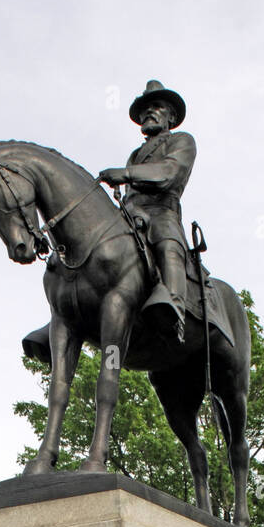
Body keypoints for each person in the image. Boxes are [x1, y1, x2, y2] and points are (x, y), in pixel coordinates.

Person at [98, 80, 195, 342]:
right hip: (130, 216)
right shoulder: (136, 153)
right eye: (144, 109)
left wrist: (126, 173)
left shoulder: (182, 141)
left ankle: (174, 308)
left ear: (171, 116)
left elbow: (169, 173)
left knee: (168, 242)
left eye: (156, 107)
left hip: (161, 212)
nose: (148, 112)